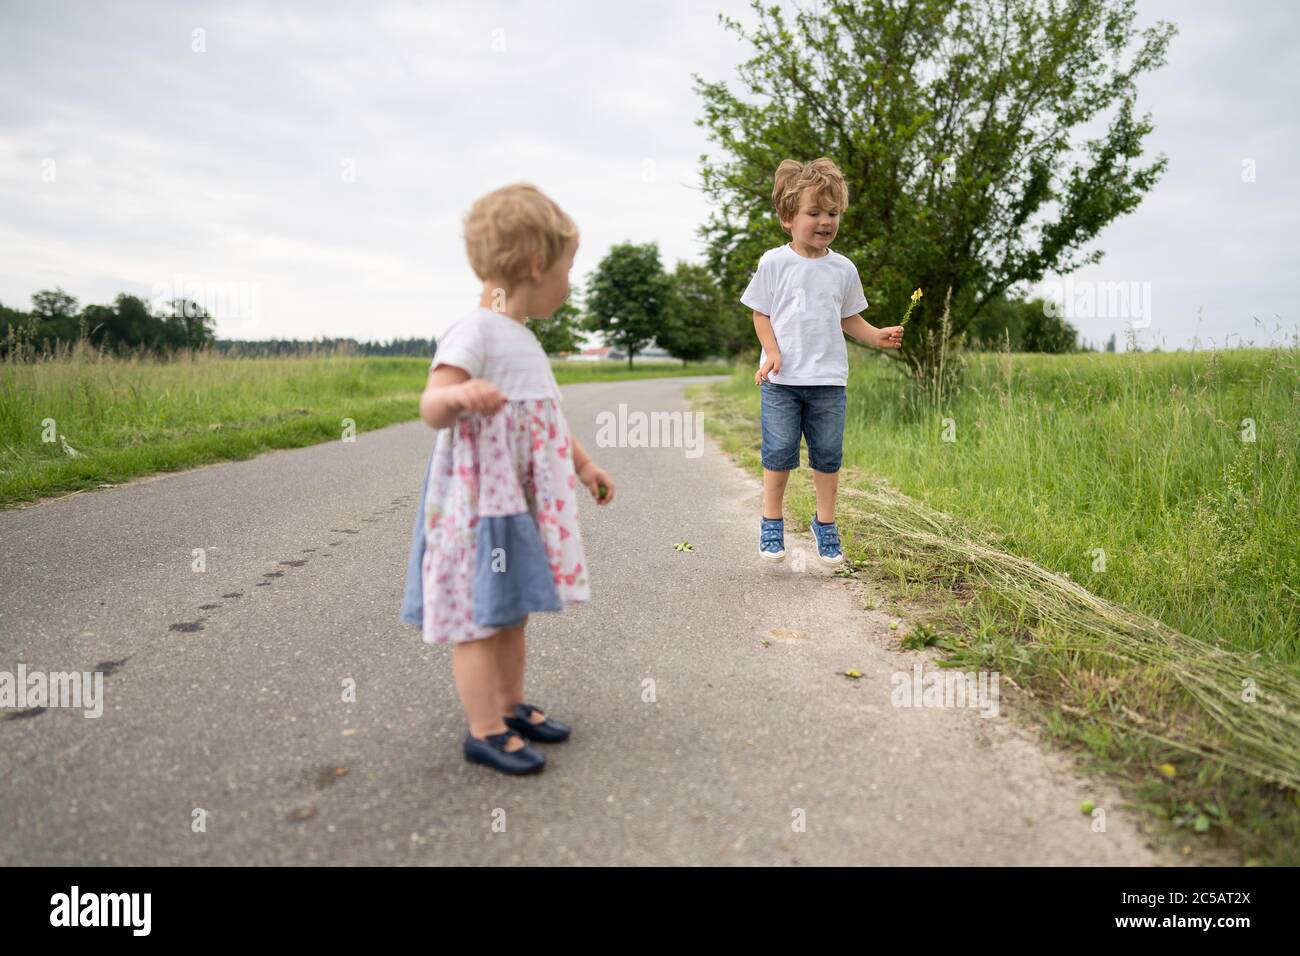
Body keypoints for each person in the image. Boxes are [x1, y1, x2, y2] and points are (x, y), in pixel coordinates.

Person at [400, 183, 614, 775]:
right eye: (568, 270)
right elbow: (431, 405)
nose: (570, 284)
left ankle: (510, 705)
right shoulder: (475, 330)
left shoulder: (522, 338)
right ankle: (484, 731)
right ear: (537, 264)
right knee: (478, 616)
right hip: (478, 508)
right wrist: (459, 395)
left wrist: (584, 465)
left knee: (512, 608)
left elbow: (546, 420)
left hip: (517, 506)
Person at [741, 157, 903, 565]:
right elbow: (760, 313)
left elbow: (849, 318)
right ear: (788, 218)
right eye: (814, 213)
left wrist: (876, 335)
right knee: (779, 453)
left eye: (832, 213)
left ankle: (825, 524)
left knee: (828, 456)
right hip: (781, 382)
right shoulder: (774, 263)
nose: (825, 221)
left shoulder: (843, 269)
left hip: (828, 381)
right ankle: (772, 521)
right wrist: (772, 352)